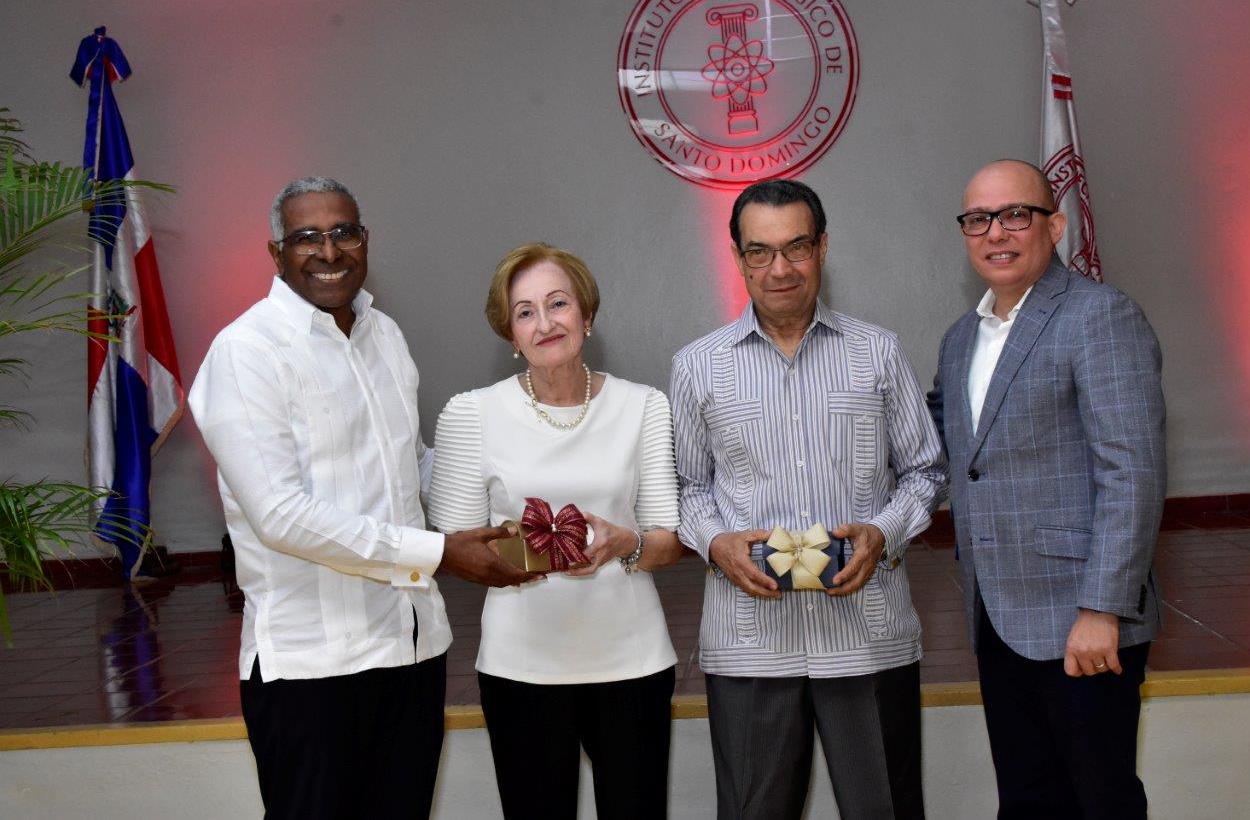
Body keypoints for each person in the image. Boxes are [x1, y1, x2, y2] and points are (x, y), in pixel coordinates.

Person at [189, 176, 535, 819]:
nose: (328, 251)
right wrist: (439, 553)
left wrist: (501, 519)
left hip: (410, 649)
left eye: (343, 232)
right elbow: (279, 515)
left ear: (365, 240)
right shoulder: (246, 352)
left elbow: (412, 463)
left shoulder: (384, 336)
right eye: (307, 237)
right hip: (311, 667)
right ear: (276, 253)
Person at [670, 179, 946, 819]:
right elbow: (686, 487)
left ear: (823, 248)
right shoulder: (697, 366)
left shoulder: (877, 352)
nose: (780, 268)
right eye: (760, 252)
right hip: (749, 642)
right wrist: (713, 541)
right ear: (738, 258)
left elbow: (925, 471)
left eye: (796, 247)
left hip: (867, 636)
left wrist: (883, 531)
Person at [928, 159, 1165, 818]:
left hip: (1082, 622)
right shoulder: (959, 339)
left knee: (1101, 799)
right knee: (1028, 800)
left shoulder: (1100, 316)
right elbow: (950, 454)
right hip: (999, 617)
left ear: (1054, 224)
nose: (996, 232)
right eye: (978, 218)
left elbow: (1133, 473)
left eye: (1016, 214)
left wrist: (1103, 608)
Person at [427, 243, 688, 820]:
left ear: (586, 316)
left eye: (558, 303)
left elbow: (668, 541)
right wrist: (521, 549)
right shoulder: (471, 414)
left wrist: (628, 543)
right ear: (510, 334)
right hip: (521, 665)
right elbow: (456, 551)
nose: (544, 323)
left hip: (633, 660)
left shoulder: (644, 405)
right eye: (525, 312)